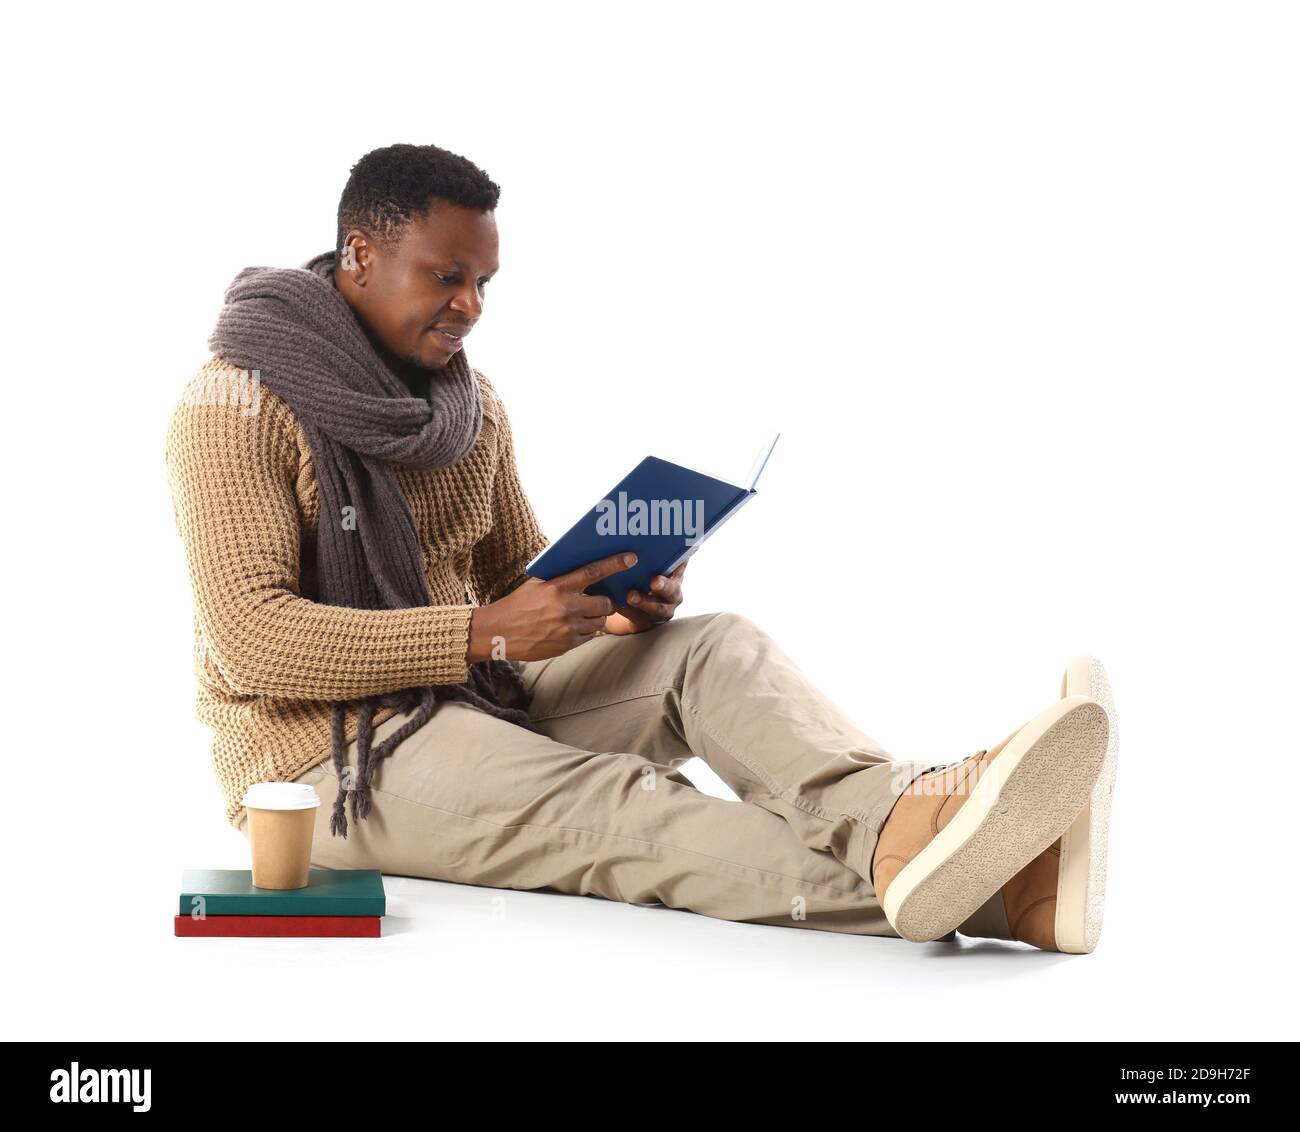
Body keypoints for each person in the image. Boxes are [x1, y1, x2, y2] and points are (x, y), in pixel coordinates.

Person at [165, 143, 1120, 952]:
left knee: (714, 648)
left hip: (477, 696)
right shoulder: (235, 404)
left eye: (485, 281)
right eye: (446, 276)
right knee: (622, 806)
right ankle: (1003, 887)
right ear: (363, 257)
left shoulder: (467, 404)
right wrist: (485, 634)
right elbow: (253, 637)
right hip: (326, 764)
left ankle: (901, 818)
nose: (471, 306)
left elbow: (513, 583)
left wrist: (613, 601)